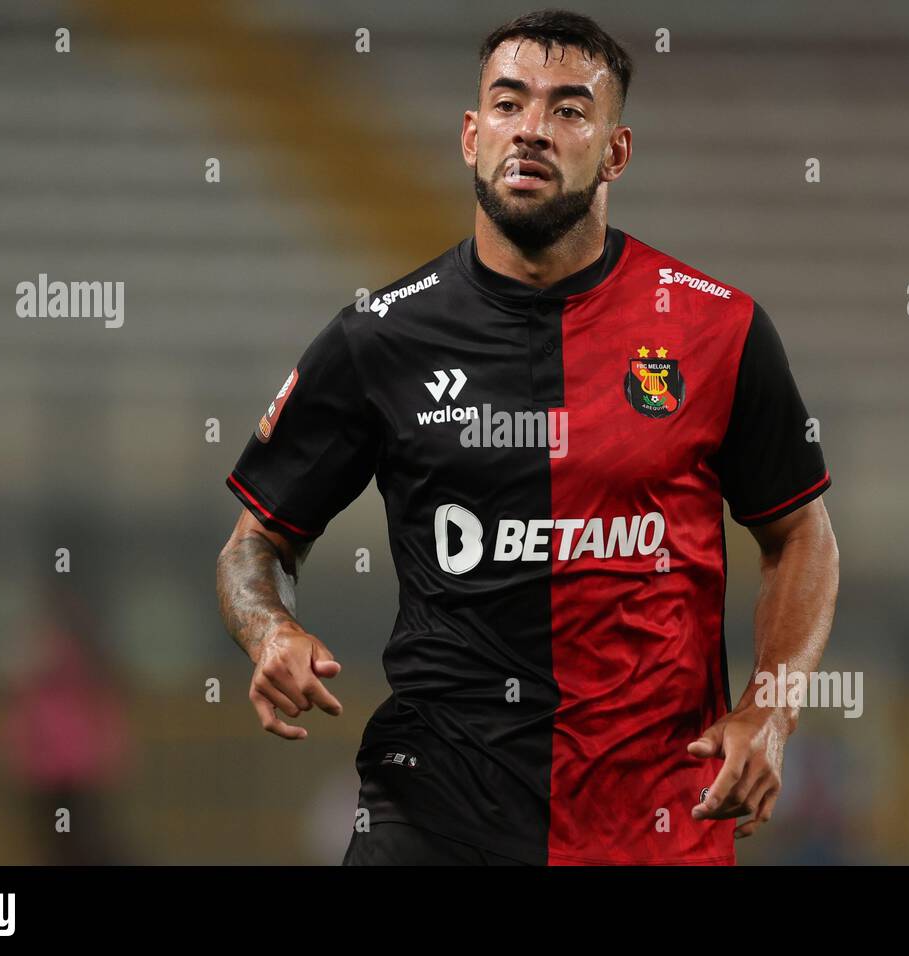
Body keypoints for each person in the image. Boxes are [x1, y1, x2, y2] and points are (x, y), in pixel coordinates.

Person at [216, 9, 839, 866]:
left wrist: (770, 707)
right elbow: (256, 544)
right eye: (509, 105)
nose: (533, 130)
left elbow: (800, 533)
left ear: (615, 150)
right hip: (434, 811)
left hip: (653, 818)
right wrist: (269, 632)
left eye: (570, 110)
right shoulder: (378, 339)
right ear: (472, 135)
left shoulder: (716, 328)